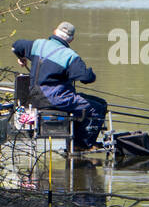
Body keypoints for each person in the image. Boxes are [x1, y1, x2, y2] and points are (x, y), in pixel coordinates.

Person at [13, 21, 106, 150]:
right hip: (55, 99)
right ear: (71, 40)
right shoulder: (70, 56)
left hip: (35, 96)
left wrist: (21, 57)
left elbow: (16, 46)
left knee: (100, 102)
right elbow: (87, 78)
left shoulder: (37, 45)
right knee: (97, 108)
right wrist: (90, 72)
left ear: (55, 32)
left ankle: (77, 142)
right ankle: (81, 144)